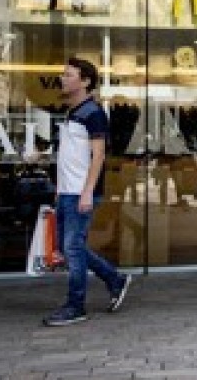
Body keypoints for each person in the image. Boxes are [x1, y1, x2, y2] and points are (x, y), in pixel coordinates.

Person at [36, 56, 132, 327]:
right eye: (63, 74)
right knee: (70, 249)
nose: (63, 78)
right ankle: (115, 279)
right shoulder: (71, 112)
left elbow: (98, 156)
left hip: (81, 191)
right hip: (67, 190)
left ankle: (76, 305)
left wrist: (87, 192)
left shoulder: (94, 113)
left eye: (69, 74)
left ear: (85, 81)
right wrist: (59, 188)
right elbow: (68, 155)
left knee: (72, 248)